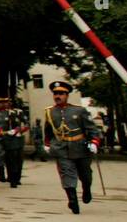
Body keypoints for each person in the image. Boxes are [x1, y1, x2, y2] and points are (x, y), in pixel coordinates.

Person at [43, 81, 101, 214]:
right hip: (61, 147)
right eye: (55, 93)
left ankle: (86, 190)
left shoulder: (79, 110)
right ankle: (72, 200)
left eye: (61, 93)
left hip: (80, 146)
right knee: (66, 173)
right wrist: (47, 144)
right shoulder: (50, 112)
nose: (58, 96)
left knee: (86, 175)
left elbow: (91, 128)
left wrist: (94, 142)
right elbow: (48, 130)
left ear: (67, 95)